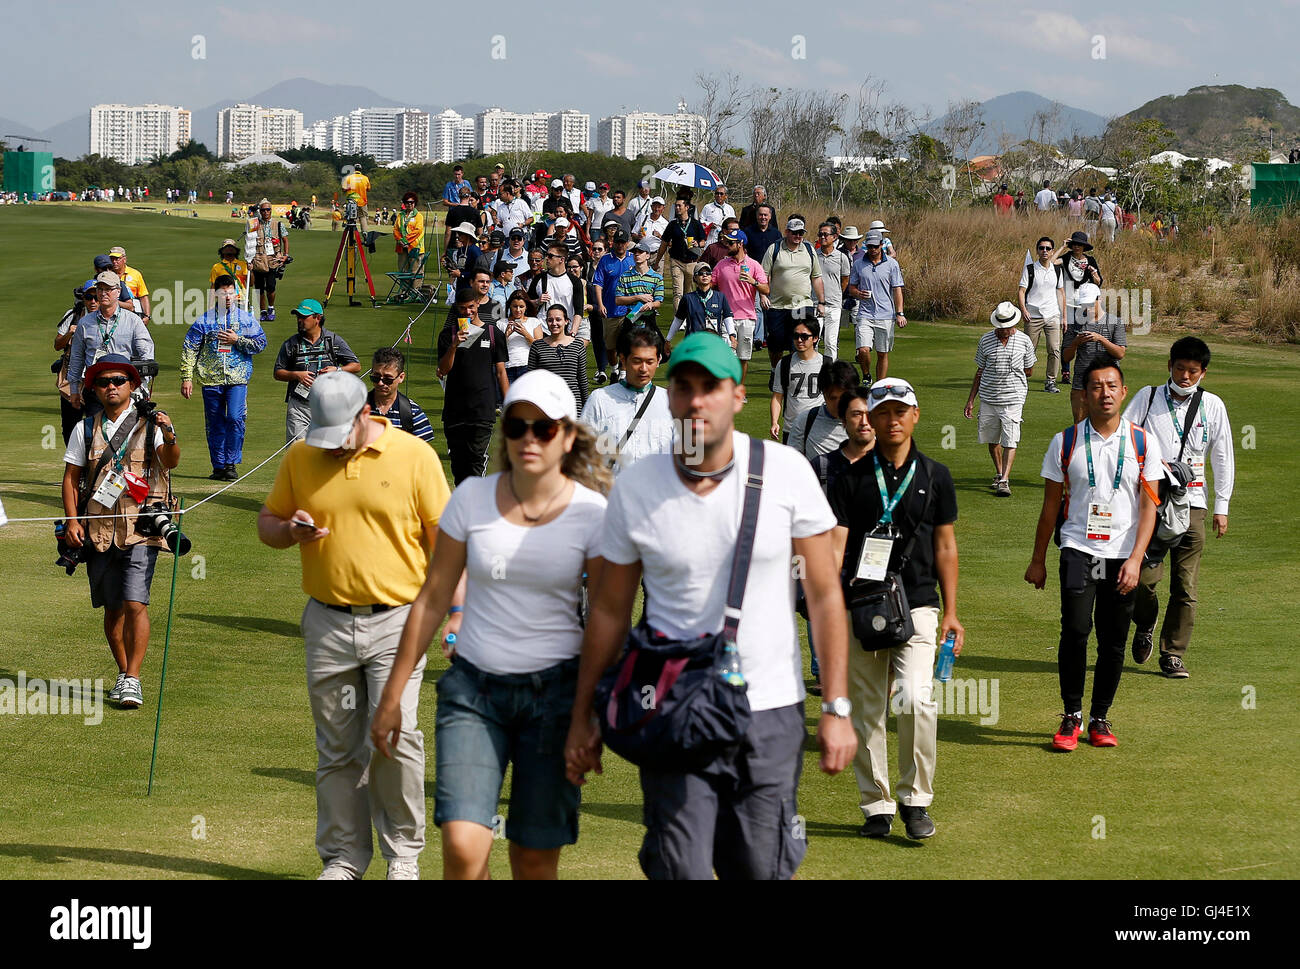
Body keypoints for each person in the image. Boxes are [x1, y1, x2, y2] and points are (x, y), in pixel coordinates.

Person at [564, 333, 858, 879]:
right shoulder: (637, 487)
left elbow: (823, 596)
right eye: (685, 387)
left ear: (738, 396)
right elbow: (608, 611)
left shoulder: (787, 471)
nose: (697, 400)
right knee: (682, 867)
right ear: (670, 396)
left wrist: (837, 706)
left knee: (756, 866)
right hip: (671, 707)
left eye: (711, 387)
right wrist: (584, 714)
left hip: (768, 709)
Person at [371, 370, 609, 880]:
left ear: (567, 435)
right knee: (463, 844)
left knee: (533, 856)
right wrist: (391, 696)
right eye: (517, 427)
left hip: (557, 695)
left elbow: (609, 617)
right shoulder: (473, 498)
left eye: (543, 428)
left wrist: (590, 713)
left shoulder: (593, 514)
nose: (529, 438)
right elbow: (433, 598)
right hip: (474, 691)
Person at [259, 370, 452, 880]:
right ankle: (344, 858)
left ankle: (404, 856)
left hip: (397, 623)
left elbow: (449, 545)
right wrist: (289, 531)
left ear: (366, 414)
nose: (333, 448)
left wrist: (457, 612)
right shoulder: (302, 456)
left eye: (339, 436)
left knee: (396, 736)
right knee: (338, 748)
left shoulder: (414, 456)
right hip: (326, 621)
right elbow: (267, 524)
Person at [829, 378, 963, 840]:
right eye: (881, 411)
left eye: (899, 411)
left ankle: (915, 799)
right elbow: (836, 545)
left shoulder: (935, 475)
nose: (890, 419)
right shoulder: (850, 478)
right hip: (863, 604)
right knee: (867, 707)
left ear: (915, 415)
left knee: (916, 699)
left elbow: (946, 547)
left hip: (921, 602)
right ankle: (877, 804)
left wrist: (951, 612)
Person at [1025, 360, 1164, 751]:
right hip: (1077, 550)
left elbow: (1149, 506)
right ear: (1084, 395)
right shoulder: (1064, 441)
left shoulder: (1142, 443)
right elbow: (1050, 506)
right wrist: (1038, 559)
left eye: (1111, 386)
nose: (1104, 393)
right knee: (1074, 629)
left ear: (1123, 392)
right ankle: (1072, 716)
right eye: (1096, 387)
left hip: (1122, 555)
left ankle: (1100, 717)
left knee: (1114, 639)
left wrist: (1136, 559)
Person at [61, 354, 181, 710]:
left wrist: (170, 432)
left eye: (118, 380)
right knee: (112, 610)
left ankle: (133, 679)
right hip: (97, 530)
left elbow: (171, 460)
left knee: (135, 603)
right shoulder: (84, 429)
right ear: (94, 389)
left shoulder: (153, 424)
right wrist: (71, 521)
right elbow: (70, 478)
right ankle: (123, 673)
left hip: (142, 527)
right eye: (103, 382)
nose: (111, 386)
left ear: (132, 385)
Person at [1124, 337, 1235, 679]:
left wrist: (1222, 506)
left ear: (1204, 372)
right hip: (1151, 501)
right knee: (1142, 581)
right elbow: (1125, 438)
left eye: (1193, 371)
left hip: (1195, 504)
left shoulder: (1212, 405)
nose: (1186, 376)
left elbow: (1222, 455)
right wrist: (1155, 466)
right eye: (1180, 369)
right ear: (1169, 366)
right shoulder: (1148, 397)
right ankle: (1145, 622)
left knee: (1185, 587)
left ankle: (1173, 653)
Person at [179, 275, 268, 480]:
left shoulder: (246, 319)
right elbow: (190, 349)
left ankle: (231, 463)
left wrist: (238, 340)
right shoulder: (204, 320)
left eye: (230, 293)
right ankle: (218, 465)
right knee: (215, 422)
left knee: (236, 418)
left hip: (237, 378)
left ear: (236, 294)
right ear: (215, 295)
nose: (227, 297)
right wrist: (187, 377)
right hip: (211, 378)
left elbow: (260, 344)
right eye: (222, 293)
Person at [437, 283, 509, 483]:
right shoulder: (447, 335)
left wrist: (510, 403)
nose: (467, 312)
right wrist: (454, 345)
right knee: (458, 465)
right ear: (457, 308)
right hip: (455, 410)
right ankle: (463, 507)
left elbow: (501, 372)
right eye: (462, 308)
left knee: (476, 461)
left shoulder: (494, 334)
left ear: (477, 304)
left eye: (471, 307)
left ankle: (476, 506)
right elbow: (443, 370)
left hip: (482, 409)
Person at [963, 302, 1037, 497]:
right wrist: (971, 400)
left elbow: (1029, 370)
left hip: (1014, 398)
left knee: (1010, 439)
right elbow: (979, 370)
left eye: (1008, 327)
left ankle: (1004, 480)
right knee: (992, 438)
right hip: (988, 397)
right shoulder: (985, 340)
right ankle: (998, 472)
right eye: (1002, 327)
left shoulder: (1024, 341)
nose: (1005, 330)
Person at [580, 326, 674, 474]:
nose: (643, 369)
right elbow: (582, 453)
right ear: (623, 359)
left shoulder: (671, 402)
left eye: (650, 362)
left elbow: (690, 457)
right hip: (612, 492)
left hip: (657, 493)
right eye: (637, 361)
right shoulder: (600, 399)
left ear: (658, 360)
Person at [273, 299, 361, 443]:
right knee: (298, 451)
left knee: (328, 451)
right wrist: (296, 375)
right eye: (298, 317)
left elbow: (356, 365)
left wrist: (337, 369)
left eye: (304, 317)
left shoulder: (333, 340)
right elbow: (278, 372)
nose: (299, 320)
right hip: (299, 406)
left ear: (318, 318)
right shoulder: (291, 344)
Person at [67, 273, 154, 414]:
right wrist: (74, 390)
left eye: (108, 289)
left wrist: (142, 385)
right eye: (100, 289)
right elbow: (77, 357)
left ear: (118, 292)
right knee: (97, 433)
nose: (103, 293)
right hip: (96, 388)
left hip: (124, 388)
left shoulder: (133, 321)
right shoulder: (84, 323)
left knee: (125, 433)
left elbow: (146, 354)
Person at [759, 216, 825, 369]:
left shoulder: (809, 250)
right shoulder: (774, 248)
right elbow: (763, 275)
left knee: (798, 340)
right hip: (777, 306)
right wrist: (763, 295)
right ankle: (776, 371)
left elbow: (816, 277)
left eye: (801, 233)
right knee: (776, 343)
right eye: (794, 233)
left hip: (801, 305)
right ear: (787, 232)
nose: (798, 236)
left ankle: (795, 374)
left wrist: (821, 302)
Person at [711, 227, 768, 383]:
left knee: (743, 358)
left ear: (740, 244)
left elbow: (766, 289)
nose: (727, 245)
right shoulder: (721, 265)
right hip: (726, 318)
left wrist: (753, 281)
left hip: (747, 318)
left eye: (731, 243)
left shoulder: (754, 265)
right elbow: (710, 284)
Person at [1062, 282, 1125, 422]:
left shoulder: (1115, 322)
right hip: (1081, 384)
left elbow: (1120, 353)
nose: (1087, 308)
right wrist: (1075, 343)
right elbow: (1066, 357)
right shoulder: (1075, 323)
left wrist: (1101, 339)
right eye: (1084, 305)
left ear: (1099, 299)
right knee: (1080, 428)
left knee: (1107, 425)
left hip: (1108, 384)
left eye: (1090, 304)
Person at [847, 229, 905, 382]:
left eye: (875, 246)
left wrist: (900, 313)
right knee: (863, 350)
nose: (872, 250)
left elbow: (897, 289)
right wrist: (858, 294)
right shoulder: (858, 264)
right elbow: (851, 287)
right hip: (865, 314)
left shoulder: (892, 264)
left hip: (886, 315)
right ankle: (866, 375)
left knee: (882, 353)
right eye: (870, 246)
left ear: (881, 245)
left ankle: (880, 386)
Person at [1019, 236, 1066, 394]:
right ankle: (1022, 379)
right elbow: (1021, 291)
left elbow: (1061, 292)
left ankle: (1050, 381)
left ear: (1052, 251)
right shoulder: (1030, 269)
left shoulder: (1057, 270)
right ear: (1037, 251)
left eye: (1047, 248)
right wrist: (1023, 310)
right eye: (1041, 248)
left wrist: (1064, 316)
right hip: (1033, 315)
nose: (1044, 251)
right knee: (1028, 350)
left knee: (1054, 349)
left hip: (1052, 315)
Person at [769, 318, 829, 444]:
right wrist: (774, 422)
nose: (799, 340)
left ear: (815, 338)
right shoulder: (784, 363)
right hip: (791, 429)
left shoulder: (827, 363)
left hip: (819, 429)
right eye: (796, 336)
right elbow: (777, 396)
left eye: (804, 336)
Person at [787, 360, 860, 461]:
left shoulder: (869, 422)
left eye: (845, 397)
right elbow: (793, 463)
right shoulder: (805, 421)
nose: (839, 404)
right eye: (833, 398)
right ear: (823, 394)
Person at [366, 347, 435, 444]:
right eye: (375, 377)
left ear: (401, 377)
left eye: (388, 379)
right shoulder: (355, 409)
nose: (381, 383)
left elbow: (420, 453)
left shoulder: (413, 413)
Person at [592, 230, 635, 384]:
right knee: (610, 346)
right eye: (618, 242)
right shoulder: (605, 260)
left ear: (627, 243)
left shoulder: (633, 259)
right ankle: (614, 370)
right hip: (610, 309)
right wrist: (600, 304)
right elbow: (598, 283)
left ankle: (623, 374)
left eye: (623, 242)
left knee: (626, 343)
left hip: (629, 311)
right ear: (613, 243)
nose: (620, 245)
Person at [650, 196, 706, 314]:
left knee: (688, 292)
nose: (677, 208)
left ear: (687, 207)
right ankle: (679, 317)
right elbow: (664, 244)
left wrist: (698, 243)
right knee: (677, 291)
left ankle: (688, 315)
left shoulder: (695, 224)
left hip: (691, 262)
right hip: (676, 261)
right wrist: (657, 262)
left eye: (679, 205)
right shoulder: (673, 224)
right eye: (676, 205)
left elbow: (703, 241)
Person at [528, 304, 589, 410]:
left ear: (566, 321)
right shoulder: (537, 346)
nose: (554, 323)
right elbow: (531, 379)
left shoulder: (578, 345)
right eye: (550, 320)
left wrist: (587, 406)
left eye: (558, 319)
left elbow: (582, 378)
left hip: (573, 403)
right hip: (546, 404)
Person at [667, 261, 735, 349]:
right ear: (695, 277)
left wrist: (732, 335)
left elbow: (727, 317)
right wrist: (668, 339)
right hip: (692, 343)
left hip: (713, 342)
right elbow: (678, 319)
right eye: (701, 273)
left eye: (708, 273)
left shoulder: (720, 297)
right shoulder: (688, 298)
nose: (705, 275)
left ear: (711, 277)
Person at [613, 239, 665, 349]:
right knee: (625, 350)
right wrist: (638, 297)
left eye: (640, 252)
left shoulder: (657, 277)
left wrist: (651, 305)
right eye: (635, 252)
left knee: (657, 349)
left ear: (648, 256)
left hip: (649, 318)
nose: (637, 254)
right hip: (631, 316)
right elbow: (618, 300)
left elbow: (658, 302)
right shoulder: (625, 276)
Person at [245, 199, 289, 322]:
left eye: (267, 210)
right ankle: (263, 311)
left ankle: (271, 308)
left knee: (271, 286)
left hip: (273, 259)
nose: (265, 212)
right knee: (259, 288)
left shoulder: (278, 224)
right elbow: (249, 241)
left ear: (271, 210)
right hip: (258, 258)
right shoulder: (254, 224)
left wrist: (285, 255)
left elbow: (285, 240)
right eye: (263, 210)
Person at [815, 222, 851, 361]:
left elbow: (845, 280)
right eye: (820, 234)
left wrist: (836, 294)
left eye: (825, 234)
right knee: (814, 341)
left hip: (834, 305)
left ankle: (830, 374)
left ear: (834, 237)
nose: (822, 237)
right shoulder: (813, 255)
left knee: (831, 342)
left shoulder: (842, 257)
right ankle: (815, 372)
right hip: (815, 304)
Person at [498, 290, 544, 385]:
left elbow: (540, 347)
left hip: (527, 366)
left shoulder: (534, 322)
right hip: (507, 367)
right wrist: (506, 335)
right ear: (510, 306)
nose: (518, 310)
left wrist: (525, 334)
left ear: (526, 307)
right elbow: (497, 349)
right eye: (515, 306)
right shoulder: (501, 323)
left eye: (521, 306)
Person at [108, 246, 151, 324]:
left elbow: (143, 296)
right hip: (111, 315)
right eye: (112, 259)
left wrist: (147, 316)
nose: (114, 262)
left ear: (124, 259)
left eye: (117, 259)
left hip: (133, 314)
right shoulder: (107, 275)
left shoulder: (135, 274)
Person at [444, 222, 485, 300]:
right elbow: (461, 267)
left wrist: (461, 274)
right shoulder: (461, 250)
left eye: (461, 234)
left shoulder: (475, 251)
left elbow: (479, 272)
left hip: (470, 287)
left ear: (468, 236)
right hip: (460, 285)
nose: (458, 236)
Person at [393, 192, 425, 283]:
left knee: (416, 272)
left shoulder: (419, 216)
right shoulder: (400, 215)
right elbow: (395, 229)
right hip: (401, 247)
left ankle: (415, 293)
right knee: (403, 271)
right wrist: (400, 240)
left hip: (415, 247)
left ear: (415, 203)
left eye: (412, 202)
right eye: (407, 202)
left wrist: (406, 241)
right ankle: (404, 293)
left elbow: (417, 231)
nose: (409, 204)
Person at [209, 239, 250, 310]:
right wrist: (211, 305)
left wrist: (251, 270)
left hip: (241, 300)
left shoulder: (243, 264)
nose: (229, 249)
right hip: (224, 300)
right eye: (226, 247)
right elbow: (213, 287)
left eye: (231, 247)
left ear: (236, 250)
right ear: (222, 251)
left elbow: (251, 283)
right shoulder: (217, 267)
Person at [342, 163, 371, 232]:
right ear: (361, 170)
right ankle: (364, 232)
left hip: (351, 201)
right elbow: (368, 189)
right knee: (363, 217)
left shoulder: (349, 177)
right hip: (362, 202)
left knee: (351, 217)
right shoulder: (365, 178)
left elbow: (343, 188)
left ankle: (352, 234)